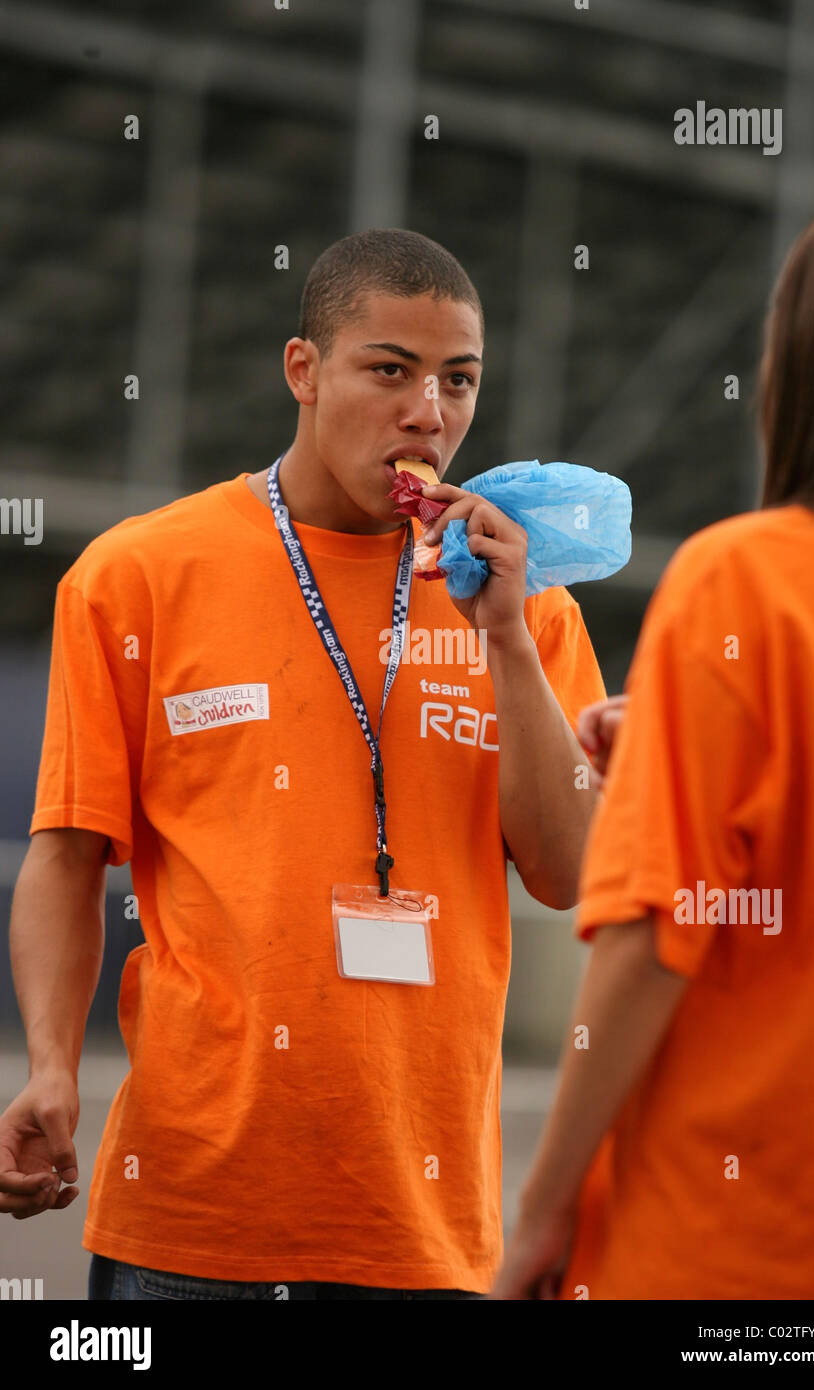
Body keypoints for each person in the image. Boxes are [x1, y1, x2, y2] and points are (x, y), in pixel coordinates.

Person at [1, 228, 606, 1300]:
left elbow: (567, 875)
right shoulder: (140, 574)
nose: (428, 412)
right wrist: (51, 1065)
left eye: (457, 380)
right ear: (303, 370)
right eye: (390, 369)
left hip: (425, 1237)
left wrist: (504, 638)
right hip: (189, 1230)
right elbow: (63, 853)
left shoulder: (526, 605)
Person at [492, 186, 814, 1301]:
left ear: (805, 357)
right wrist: (672, 745)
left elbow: (658, 937)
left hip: (733, 1250)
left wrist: (539, 1215)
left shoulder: (745, 576)